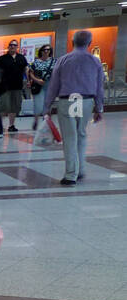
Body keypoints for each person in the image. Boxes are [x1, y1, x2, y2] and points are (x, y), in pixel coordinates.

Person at [44, 28, 106, 184]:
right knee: (81, 134)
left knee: (70, 137)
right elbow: (99, 87)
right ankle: (81, 169)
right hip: (85, 101)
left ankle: (71, 174)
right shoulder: (95, 61)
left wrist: (47, 106)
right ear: (90, 43)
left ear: (72, 42)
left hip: (68, 100)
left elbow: (54, 85)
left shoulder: (63, 60)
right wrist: (99, 108)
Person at [0, 39, 28, 133]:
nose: (12, 46)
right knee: (3, 107)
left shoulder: (21, 58)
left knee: (14, 107)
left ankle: (11, 125)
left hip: (17, 87)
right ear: (8, 47)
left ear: (17, 47)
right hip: (5, 87)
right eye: (11, 45)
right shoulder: (2, 59)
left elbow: (26, 69)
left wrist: (28, 81)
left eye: (14, 45)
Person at [27, 43, 55, 133]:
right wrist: (36, 80)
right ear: (41, 51)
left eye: (48, 50)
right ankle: (36, 120)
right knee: (38, 105)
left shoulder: (54, 61)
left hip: (50, 84)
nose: (46, 51)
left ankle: (45, 123)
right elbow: (30, 72)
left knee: (47, 105)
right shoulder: (36, 62)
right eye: (44, 50)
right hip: (38, 85)